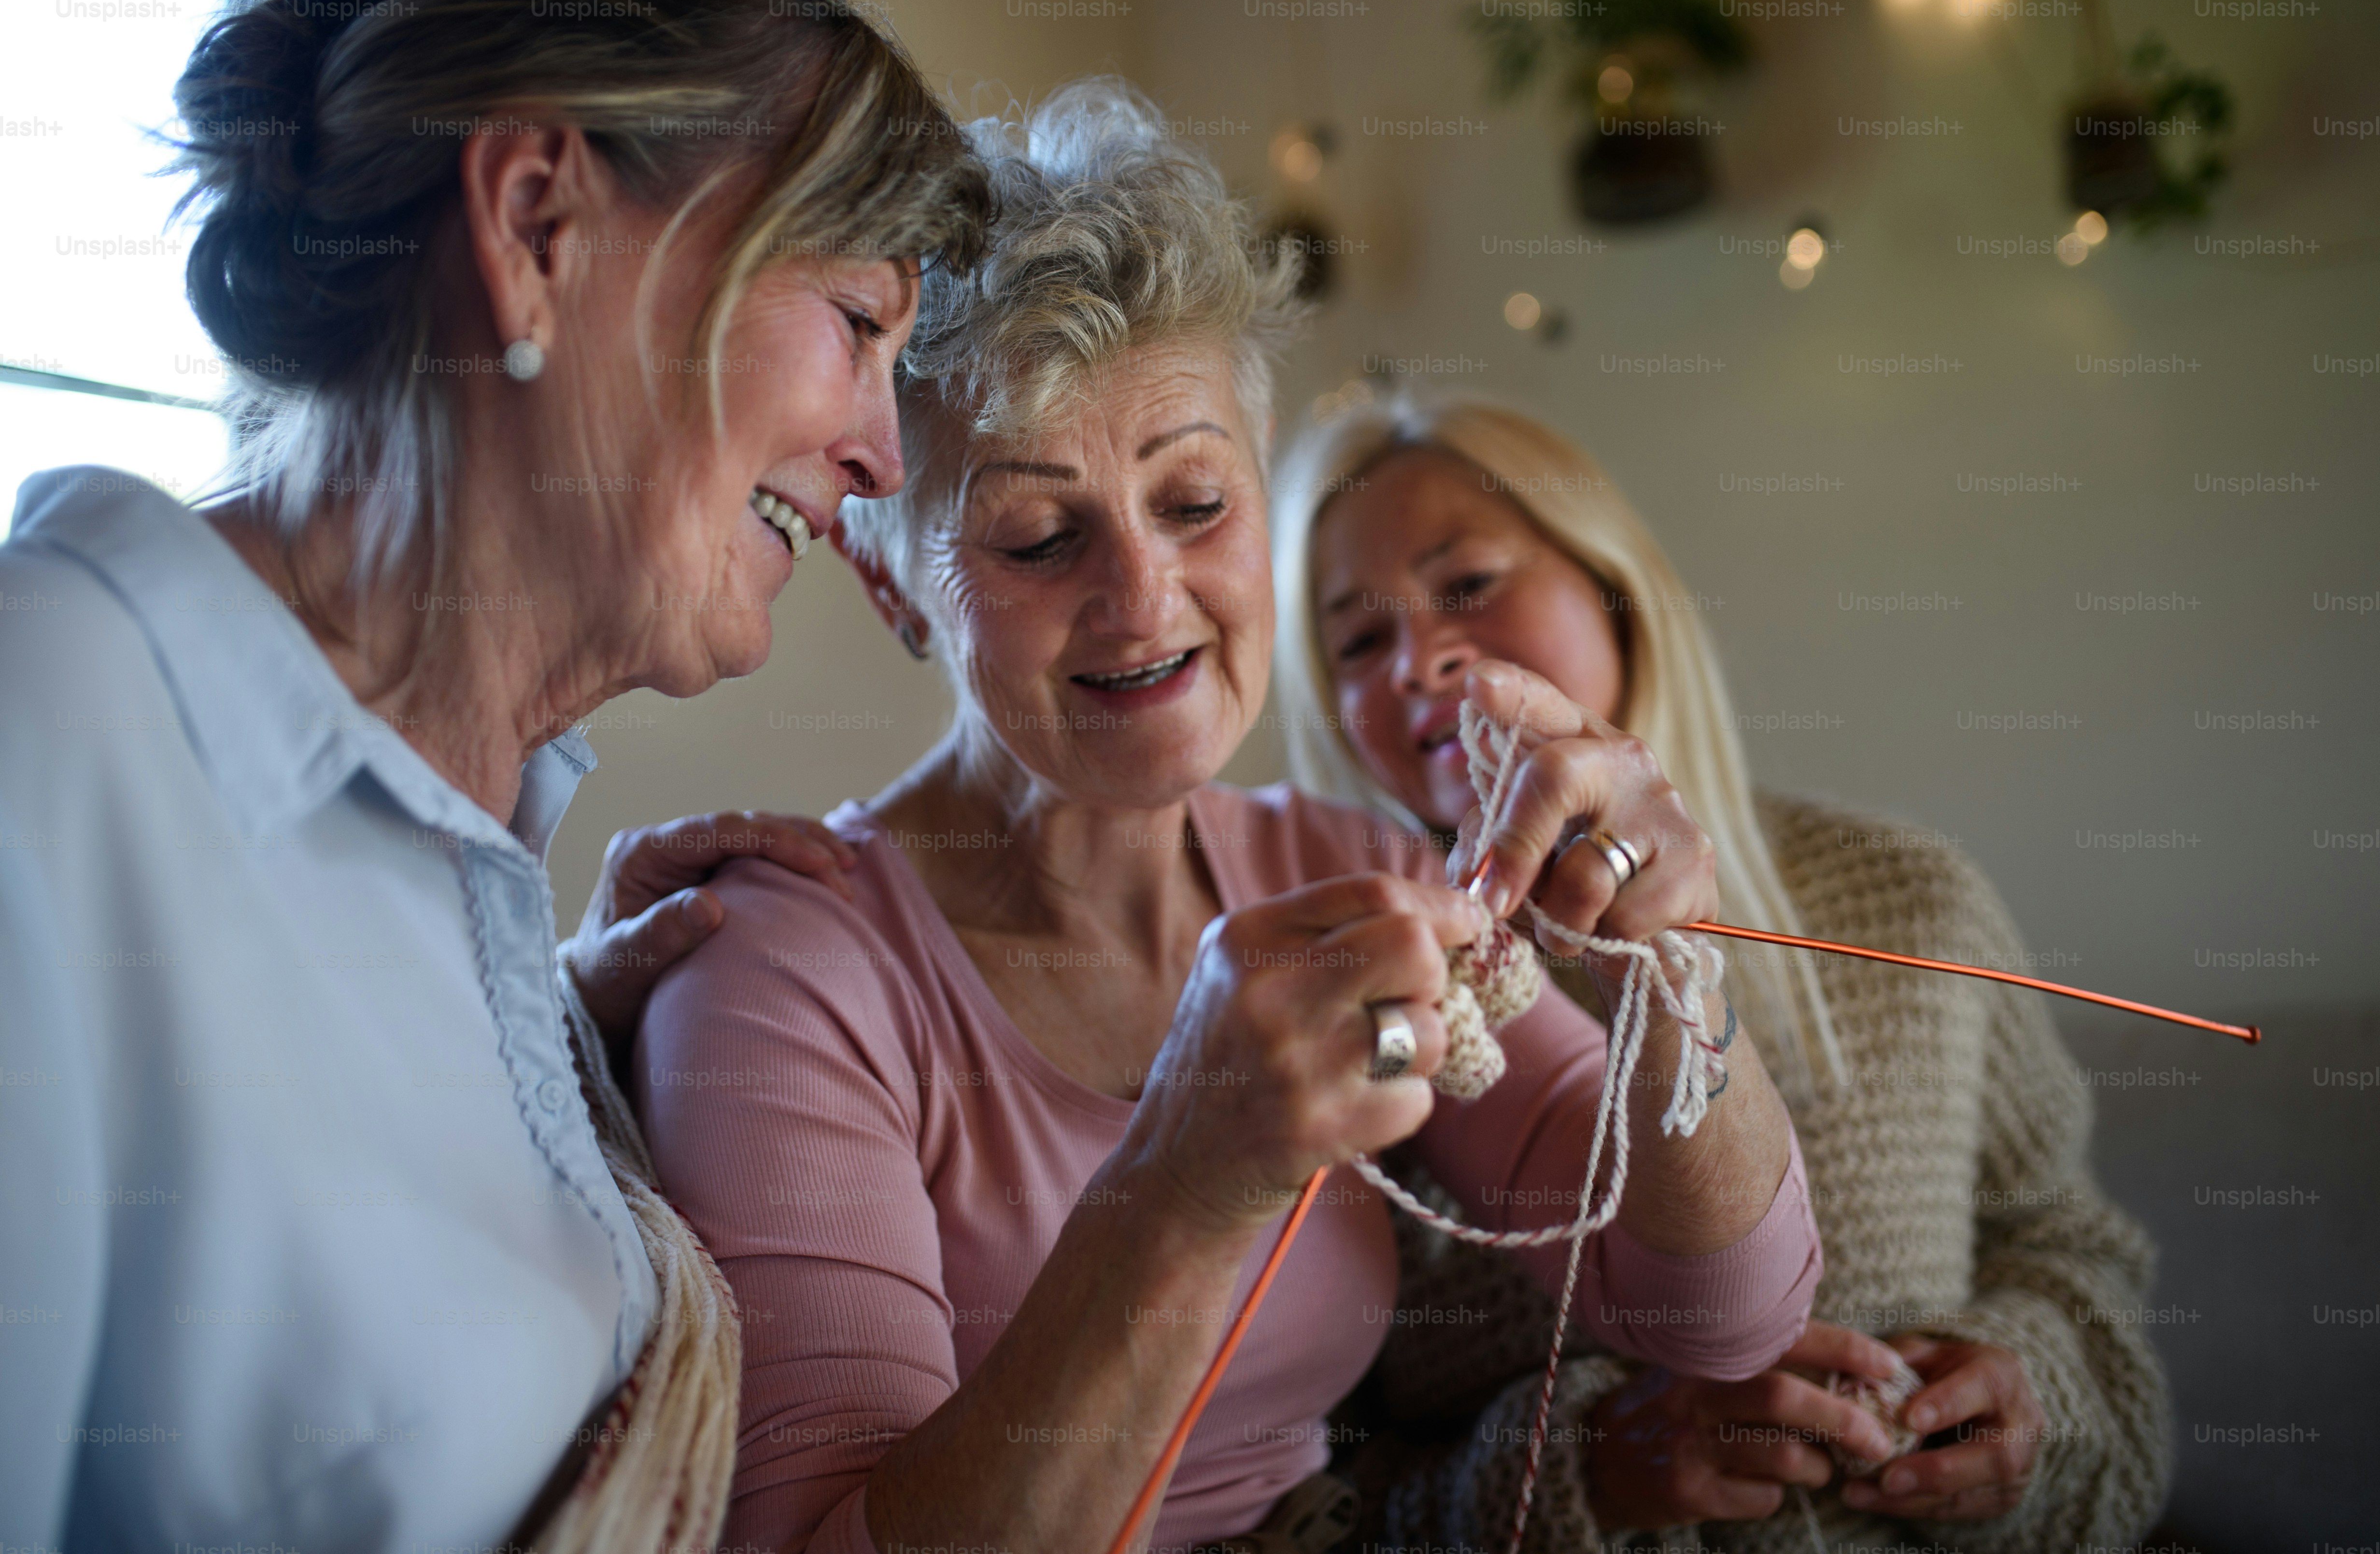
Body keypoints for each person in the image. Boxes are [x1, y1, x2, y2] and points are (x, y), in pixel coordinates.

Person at [634, 80, 1855, 1554]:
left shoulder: (1343, 872)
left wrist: (1675, 956)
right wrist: (1185, 1178)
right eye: (1036, 535)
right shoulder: (778, 972)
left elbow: (1713, 1311)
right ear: (890, 579)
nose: (1144, 600)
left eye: (1196, 503)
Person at [0, 0, 986, 1549]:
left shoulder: (484, 863)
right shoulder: (45, 737)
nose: (880, 454)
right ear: (536, 227)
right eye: (858, 320)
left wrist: (571, 1043)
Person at [1268, 396, 2173, 1550]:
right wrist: (1589, 1471)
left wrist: (2036, 1392)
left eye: (1468, 583)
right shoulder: (1341, 1021)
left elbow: (2072, 1243)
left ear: (1616, 588)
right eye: (1356, 639)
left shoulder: (1906, 898)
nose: (1417, 660)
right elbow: (1310, 1493)